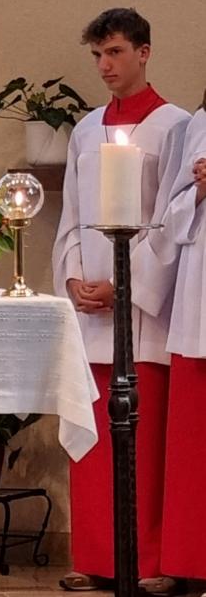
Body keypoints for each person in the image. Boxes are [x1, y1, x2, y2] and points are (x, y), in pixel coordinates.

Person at [52, 8, 189, 595]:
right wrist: (75, 278)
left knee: (146, 437)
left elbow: (174, 218)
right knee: (95, 432)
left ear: (144, 52)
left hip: (145, 318)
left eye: (114, 53)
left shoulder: (176, 126)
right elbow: (73, 219)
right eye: (97, 56)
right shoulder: (85, 130)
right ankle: (96, 556)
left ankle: (150, 561)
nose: (105, 66)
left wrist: (129, 285)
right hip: (92, 316)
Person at [138, 96, 206, 587]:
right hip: (201, 289)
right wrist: (200, 191)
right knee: (194, 438)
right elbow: (173, 213)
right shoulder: (201, 122)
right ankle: (189, 560)